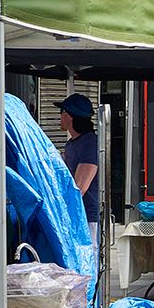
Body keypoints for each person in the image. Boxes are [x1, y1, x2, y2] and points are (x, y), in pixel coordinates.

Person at [56, 94, 100, 236]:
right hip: (76, 215)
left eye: (61, 112)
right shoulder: (71, 144)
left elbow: (80, 187)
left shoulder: (89, 143)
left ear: (68, 115)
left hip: (87, 216)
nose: (60, 117)